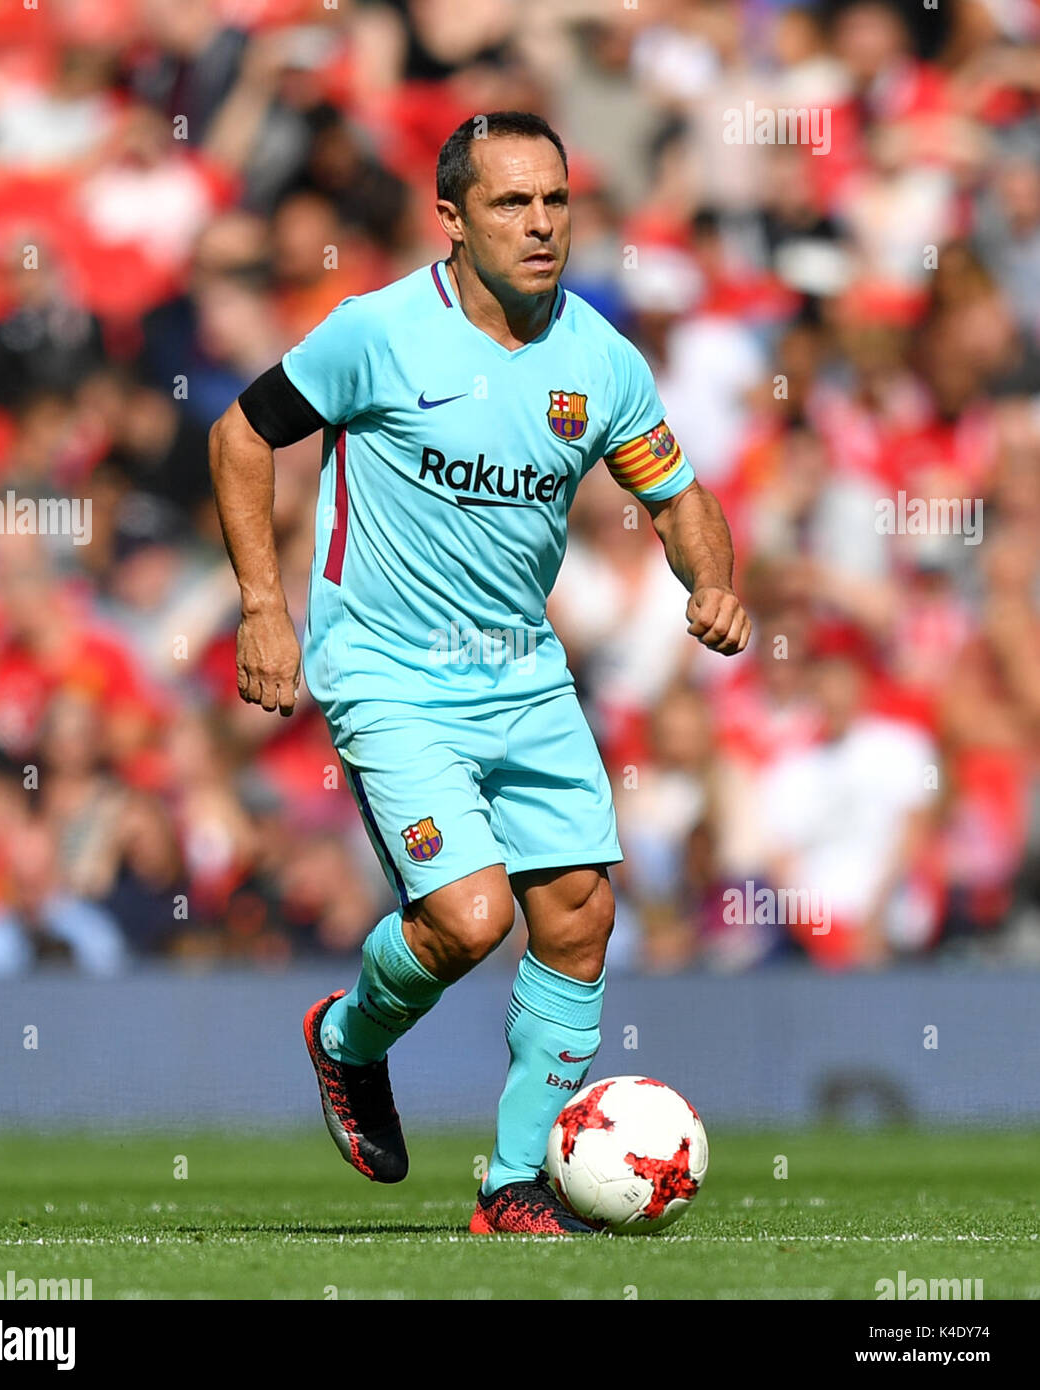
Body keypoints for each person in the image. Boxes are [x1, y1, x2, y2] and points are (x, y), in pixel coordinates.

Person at [209, 111, 750, 1236]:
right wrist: (264, 605)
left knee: (578, 916)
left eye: (556, 199)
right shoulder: (379, 332)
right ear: (450, 218)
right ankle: (347, 1040)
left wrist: (710, 580)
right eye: (512, 203)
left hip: (524, 678)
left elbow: (676, 491)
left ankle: (511, 1185)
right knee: (467, 917)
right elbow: (242, 434)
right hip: (389, 673)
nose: (542, 223)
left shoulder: (599, 359)